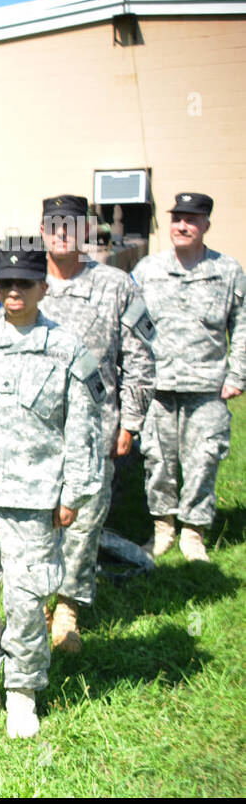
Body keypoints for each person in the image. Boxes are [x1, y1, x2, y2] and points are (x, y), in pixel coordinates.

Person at [0, 246, 104, 739]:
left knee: (28, 601)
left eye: (24, 284)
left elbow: (83, 429)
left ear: (42, 289)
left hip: (35, 500)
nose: (13, 292)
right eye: (6, 284)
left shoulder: (66, 349)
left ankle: (23, 694)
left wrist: (74, 492)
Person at [36, 195, 154, 651]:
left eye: (72, 225)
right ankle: (34, 601)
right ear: (42, 229)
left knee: (83, 524)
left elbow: (141, 357)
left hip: (93, 429)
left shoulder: (117, 285)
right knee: (37, 522)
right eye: (54, 224)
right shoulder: (23, 281)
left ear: (87, 231)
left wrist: (132, 419)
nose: (62, 232)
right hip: (32, 434)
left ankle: (67, 608)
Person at [131, 193, 245, 561]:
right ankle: (163, 529)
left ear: (206, 225)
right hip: (158, 385)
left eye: (191, 219)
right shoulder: (148, 269)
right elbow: (133, 323)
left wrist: (237, 374)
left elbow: (241, 326)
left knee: (203, 459)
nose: (182, 225)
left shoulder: (227, 271)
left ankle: (193, 533)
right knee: (157, 460)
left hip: (207, 385)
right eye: (177, 218)